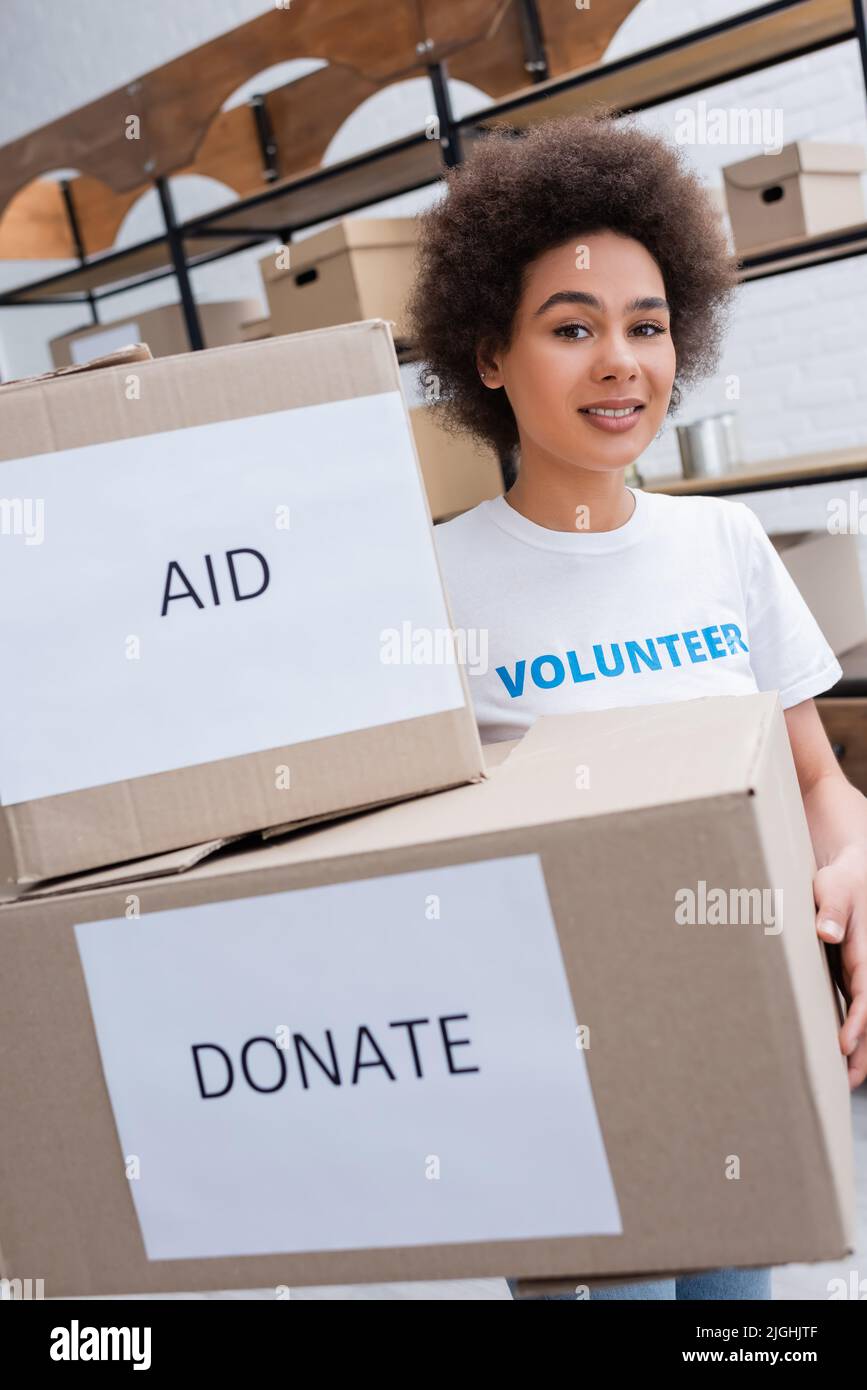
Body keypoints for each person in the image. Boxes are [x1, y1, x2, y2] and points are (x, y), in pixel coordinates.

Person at [405, 107, 867, 1302]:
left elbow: (817, 779)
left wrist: (856, 859)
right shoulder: (434, 588)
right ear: (489, 356)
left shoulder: (727, 542)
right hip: (551, 1073)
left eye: (648, 326)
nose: (622, 361)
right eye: (572, 328)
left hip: (740, 1037)